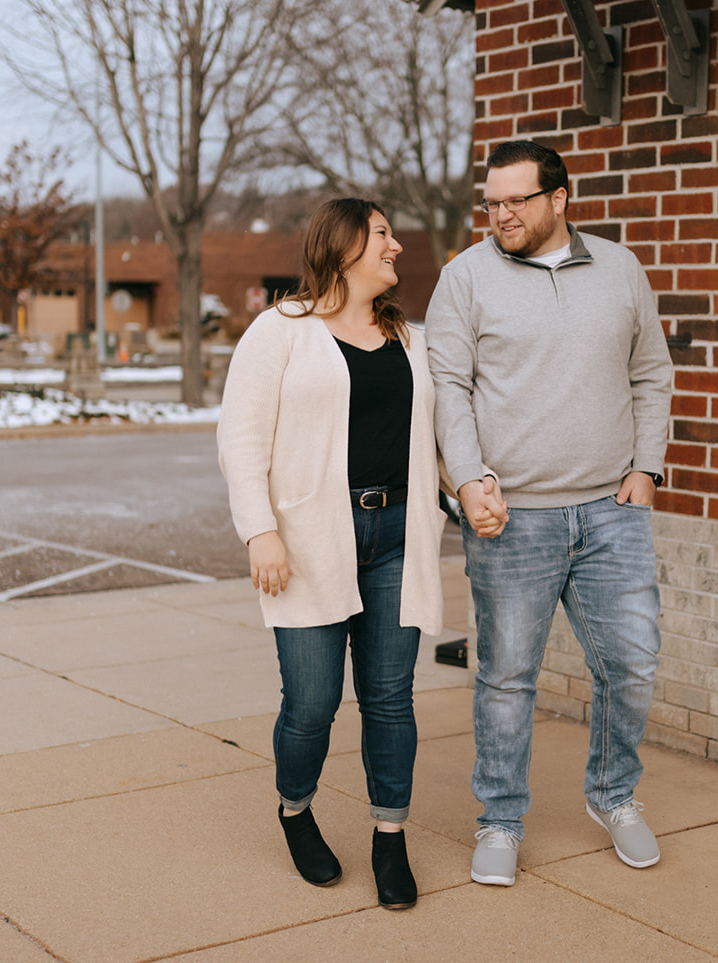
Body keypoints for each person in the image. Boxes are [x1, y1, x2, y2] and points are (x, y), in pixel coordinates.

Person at [218, 198, 499, 909]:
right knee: (311, 703)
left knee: (389, 699)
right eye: (381, 235)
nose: (396, 246)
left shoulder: (411, 338)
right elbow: (241, 439)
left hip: (396, 537)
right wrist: (261, 532)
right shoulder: (280, 331)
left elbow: (436, 439)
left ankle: (389, 835)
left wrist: (472, 492)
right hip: (308, 543)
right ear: (342, 246)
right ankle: (295, 807)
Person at [425, 139, 674, 886]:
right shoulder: (463, 278)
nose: (499, 214)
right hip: (513, 518)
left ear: (559, 199)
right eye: (491, 201)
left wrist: (645, 467)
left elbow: (652, 371)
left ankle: (613, 795)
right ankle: (499, 818)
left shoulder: (621, 269)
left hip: (611, 510)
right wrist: (468, 483)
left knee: (631, 662)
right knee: (506, 678)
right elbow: (449, 389)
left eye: (516, 201)